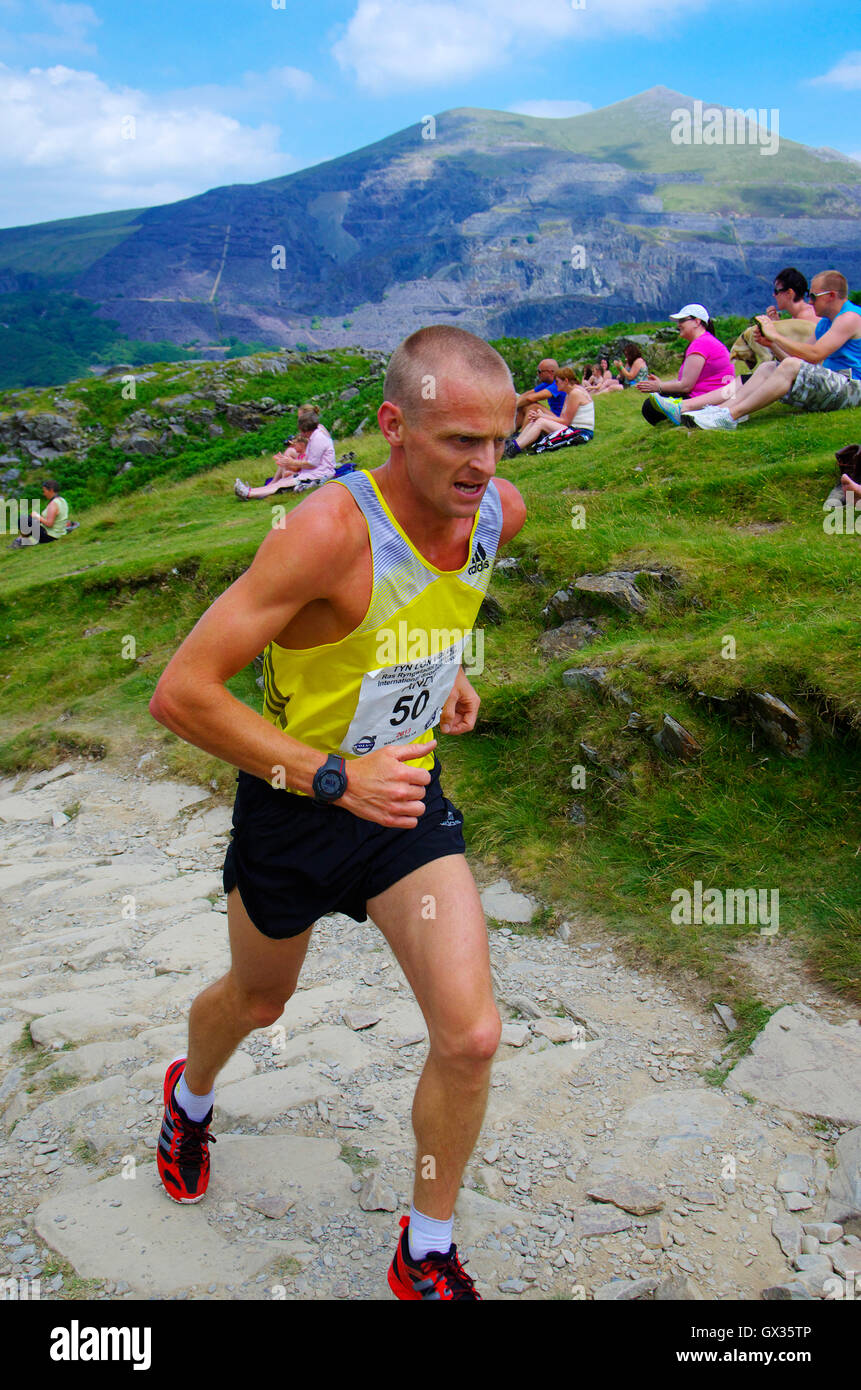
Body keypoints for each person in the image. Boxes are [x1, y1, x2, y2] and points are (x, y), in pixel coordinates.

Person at [149, 324, 527, 1302]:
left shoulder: (499, 512)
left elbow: (441, 603)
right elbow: (183, 693)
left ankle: (425, 1249)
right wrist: (328, 776)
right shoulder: (325, 529)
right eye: (458, 443)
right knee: (259, 998)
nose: (484, 466)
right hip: (294, 807)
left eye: (501, 437)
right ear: (395, 427)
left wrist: (447, 676)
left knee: (472, 1035)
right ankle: (188, 1097)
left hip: (405, 805)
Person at [679, 271, 861, 430]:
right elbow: (802, 362)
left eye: (813, 296)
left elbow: (815, 354)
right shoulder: (825, 323)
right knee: (768, 366)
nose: (810, 301)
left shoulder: (850, 318)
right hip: (835, 384)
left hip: (852, 388)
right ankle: (721, 410)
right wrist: (771, 344)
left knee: (787, 365)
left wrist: (776, 336)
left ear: (830, 295)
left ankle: (730, 416)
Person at [639, 304, 734, 424]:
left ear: (697, 322)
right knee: (658, 398)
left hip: (706, 400)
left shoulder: (700, 344)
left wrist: (659, 387)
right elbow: (686, 380)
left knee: (649, 407)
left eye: (682, 320)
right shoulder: (706, 341)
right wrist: (661, 385)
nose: (678, 325)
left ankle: (683, 420)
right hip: (717, 396)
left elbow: (686, 386)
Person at [235, 407, 335, 499]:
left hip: (319, 475)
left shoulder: (318, 439)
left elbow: (312, 464)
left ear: (305, 430)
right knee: (282, 482)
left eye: (301, 431)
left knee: (283, 485)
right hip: (313, 472)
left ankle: (248, 494)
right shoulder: (314, 437)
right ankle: (250, 491)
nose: (300, 434)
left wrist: (291, 462)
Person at [506, 366, 594, 453]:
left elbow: (565, 422)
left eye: (557, 381)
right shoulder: (571, 392)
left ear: (566, 381)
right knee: (535, 420)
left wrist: (543, 416)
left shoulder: (575, 393)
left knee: (541, 421)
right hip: (574, 429)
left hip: (581, 432)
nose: (555, 384)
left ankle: (514, 449)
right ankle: (514, 443)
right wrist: (541, 416)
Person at [13, 480, 69, 546]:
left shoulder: (53, 504)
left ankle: (22, 540)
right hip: (58, 533)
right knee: (29, 518)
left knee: (23, 519)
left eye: (44, 491)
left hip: (50, 536)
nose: (44, 494)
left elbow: (49, 524)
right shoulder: (62, 500)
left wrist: (37, 517)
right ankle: (22, 538)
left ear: (51, 490)